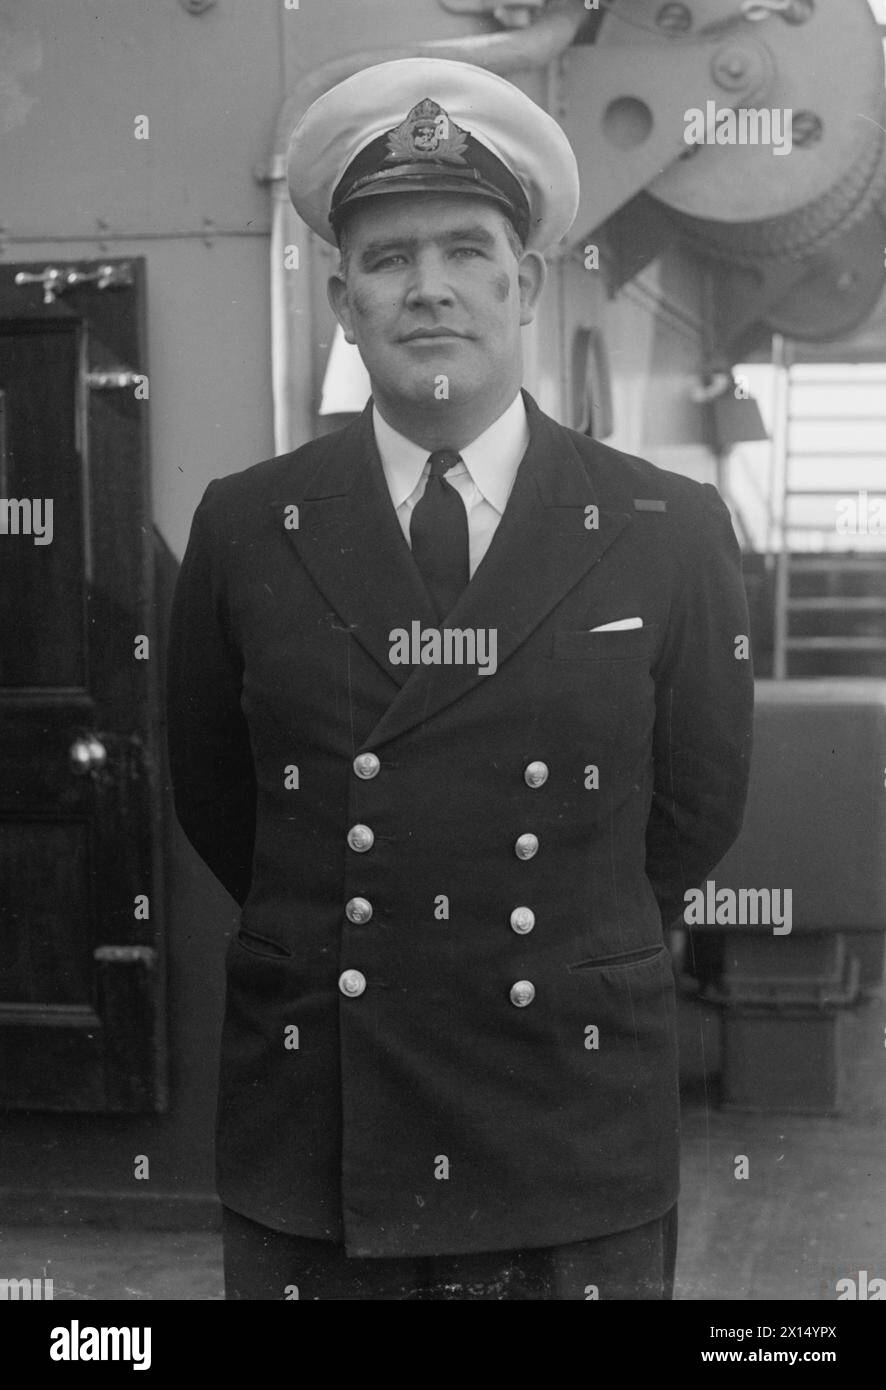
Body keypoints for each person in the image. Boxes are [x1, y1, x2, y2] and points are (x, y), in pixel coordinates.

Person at [166, 56, 754, 1300]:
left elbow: (696, 809)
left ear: (523, 279)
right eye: (385, 258)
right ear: (342, 298)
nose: (426, 287)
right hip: (321, 1113)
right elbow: (225, 804)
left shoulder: (667, 523)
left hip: (567, 1112)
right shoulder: (242, 525)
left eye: (463, 248)